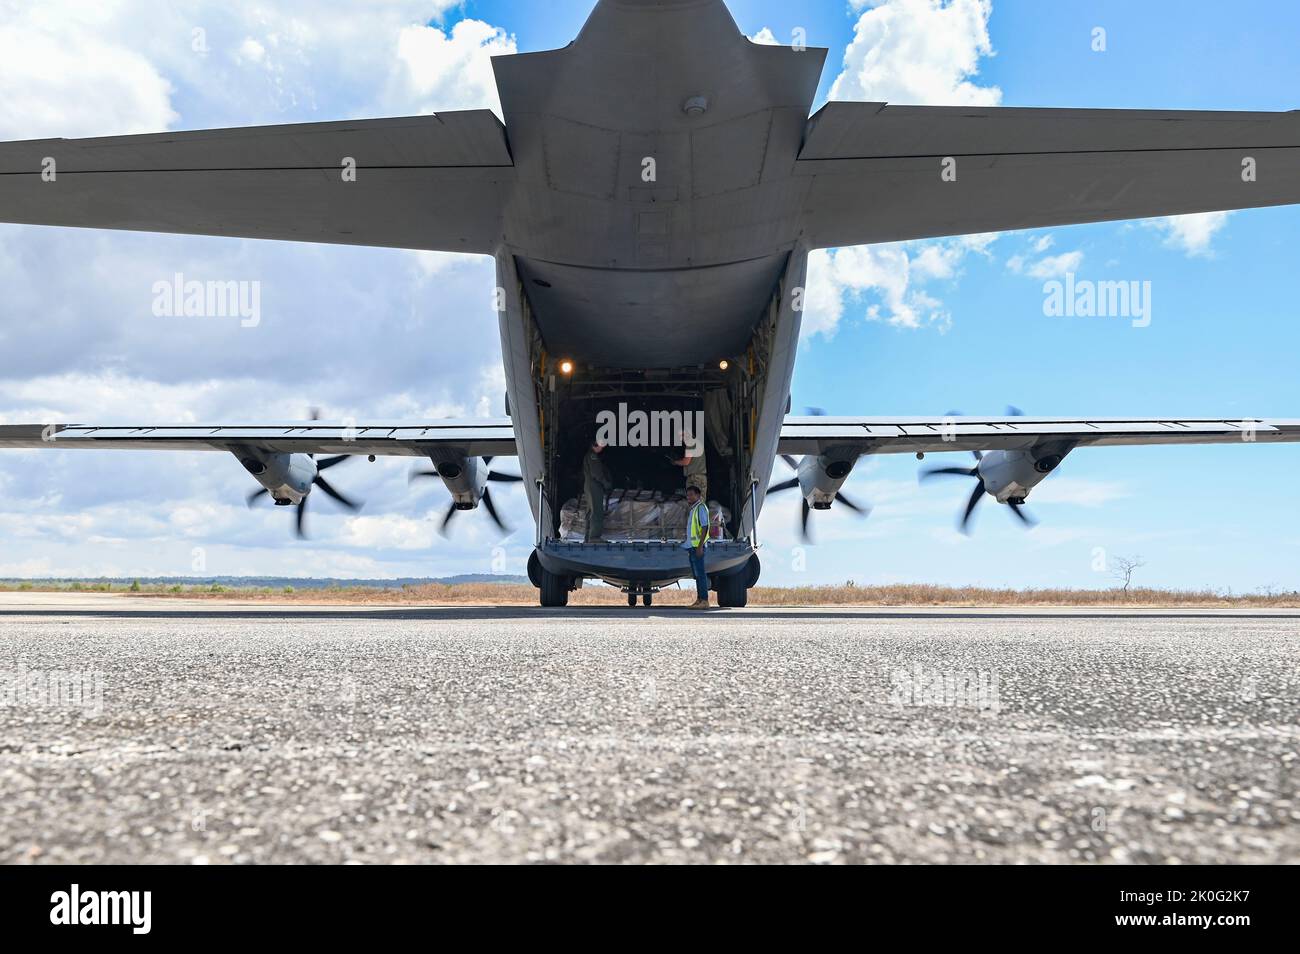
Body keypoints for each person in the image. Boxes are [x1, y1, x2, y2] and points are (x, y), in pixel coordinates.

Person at [682, 484, 710, 609]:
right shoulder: (693, 509)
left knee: (701, 574)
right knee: (697, 575)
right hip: (692, 547)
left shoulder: (700, 508)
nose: (689, 497)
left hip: (697, 547)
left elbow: (705, 527)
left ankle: (704, 600)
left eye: (692, 495)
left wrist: (699, 547)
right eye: (687, 495)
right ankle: (699, 599)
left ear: (698, 495)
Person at [582, 441, 611, 542]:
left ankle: (587, 537)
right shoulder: (592, 456)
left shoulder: (589, 456)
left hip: (590, 486)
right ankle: (594, 537)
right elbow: (596, 473)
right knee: (597, 511)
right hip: (594, 486)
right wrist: (605, 483)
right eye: (601, 447)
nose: (602, 449)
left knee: (590, 511)